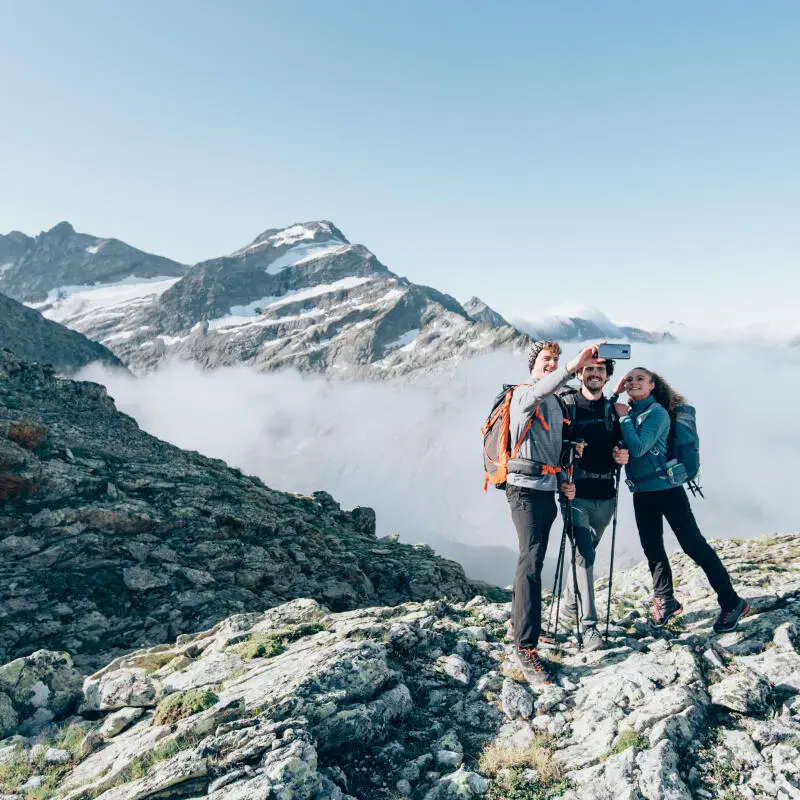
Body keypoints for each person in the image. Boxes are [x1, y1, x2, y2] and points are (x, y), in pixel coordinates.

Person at [613, 367, 750, 632]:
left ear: (653, 385)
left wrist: (625, 419)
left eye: (640, 378)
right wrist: (616, 395)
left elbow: (639, 448)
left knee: (693, 545)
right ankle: (665, 599)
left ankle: (732, 602)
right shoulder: (633, 411)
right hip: (642, 491)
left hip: (666, 490)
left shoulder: (657, 413)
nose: (633, 382)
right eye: (629, 379)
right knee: (652, 548)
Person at [507, 339, 605, 684]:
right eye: (547, 359)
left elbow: (552, 447)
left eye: (555, 360)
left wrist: (564, 477)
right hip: (525, 489)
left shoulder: (554, 402)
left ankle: (520, 622)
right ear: (534, 364)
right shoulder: (524, 393)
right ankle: (525, 646)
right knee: (531, 559)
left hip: (547, 488)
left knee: (535, 558)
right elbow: (536, 395)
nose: (552, 364)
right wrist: (571, 367)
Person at [556, 359, 629, 651]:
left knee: (583, 556)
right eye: (590, 369)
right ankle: (589, 628)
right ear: (579, 373)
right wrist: (568, 454)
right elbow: (552, 445)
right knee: (585, 553)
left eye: (600, 370)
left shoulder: (614, 411)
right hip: (575, 494)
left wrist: (622, 454)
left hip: (606, 496)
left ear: (608, 376)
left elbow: (624, 445)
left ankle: (568, 606)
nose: (595, 373)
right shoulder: (566, 406)